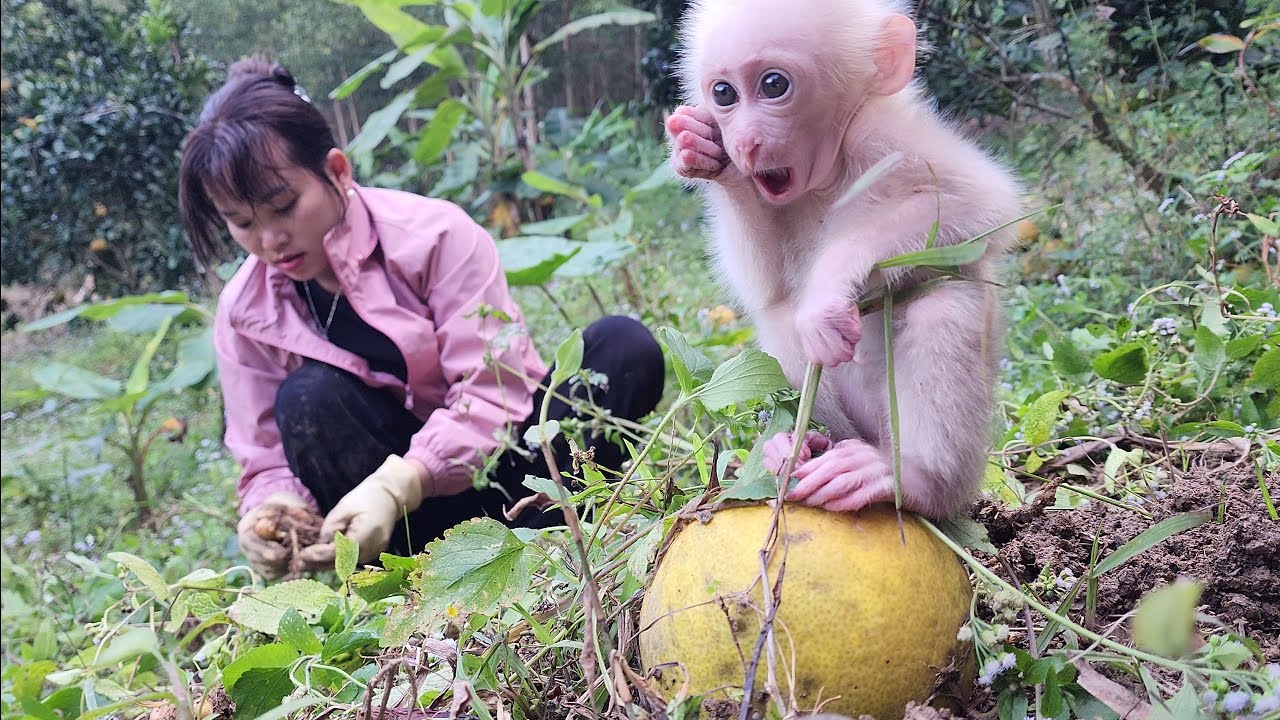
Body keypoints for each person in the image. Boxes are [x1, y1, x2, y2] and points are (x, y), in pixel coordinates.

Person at [178, 59, 665, 579]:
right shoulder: (246, 310)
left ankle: (562, 535)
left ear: (337, 172)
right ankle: (415, 576)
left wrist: (402, 481)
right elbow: (264, 453)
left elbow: (490, 392)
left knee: (622, 346)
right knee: (308, 399)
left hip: (517, 471)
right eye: (243, 223)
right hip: (408, 525)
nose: (269, 239)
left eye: (284, 207)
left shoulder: (434, 236)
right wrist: (269, 513)